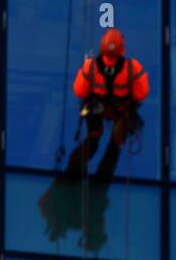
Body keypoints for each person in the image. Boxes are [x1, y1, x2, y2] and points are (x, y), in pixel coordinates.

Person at [62, 28, 149, 182]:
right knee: (115, 144)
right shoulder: (133, 67)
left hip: (97, 110)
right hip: (120, 113)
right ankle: (103, 178)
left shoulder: (90, 66)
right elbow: (141, 94)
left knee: (94, 137)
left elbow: (79, 92)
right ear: (122, 48)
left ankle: (74, 172)